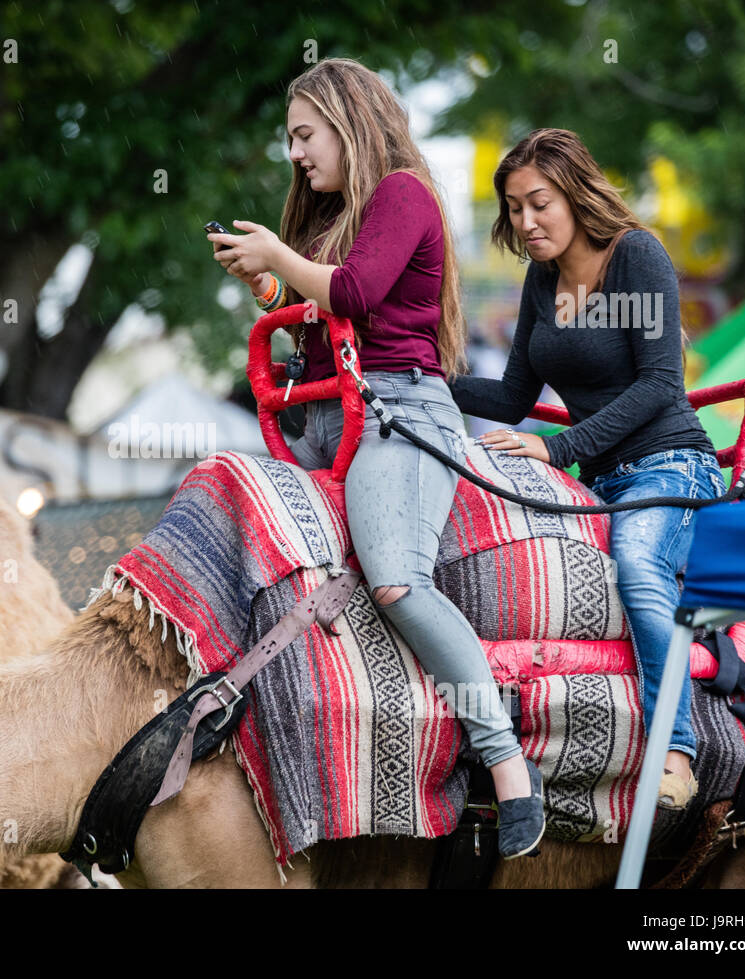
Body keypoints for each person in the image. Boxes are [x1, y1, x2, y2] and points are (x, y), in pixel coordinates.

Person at [207, 58, 545, 859]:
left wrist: (280, 261)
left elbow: (355, 293)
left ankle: (505, 760)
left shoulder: (403, 192)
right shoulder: (325, 215)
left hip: (400, 409)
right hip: (320, 412)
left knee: (395, 579)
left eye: (304, 134)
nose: (294, 153)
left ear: (347, 120)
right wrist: (274, 284)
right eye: (289, 138)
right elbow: (324, 312)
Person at [450, 128, 726, 811]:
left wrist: (559, 446)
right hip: (600, 485)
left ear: (574, 192)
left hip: (670, 465)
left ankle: (678, 752)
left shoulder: (637, 254)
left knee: (636, 565)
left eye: (538, 202)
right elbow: (514, 397)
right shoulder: (541, 281)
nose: (526, 221)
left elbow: (663, 384)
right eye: (513, 208)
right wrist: (420, 379)